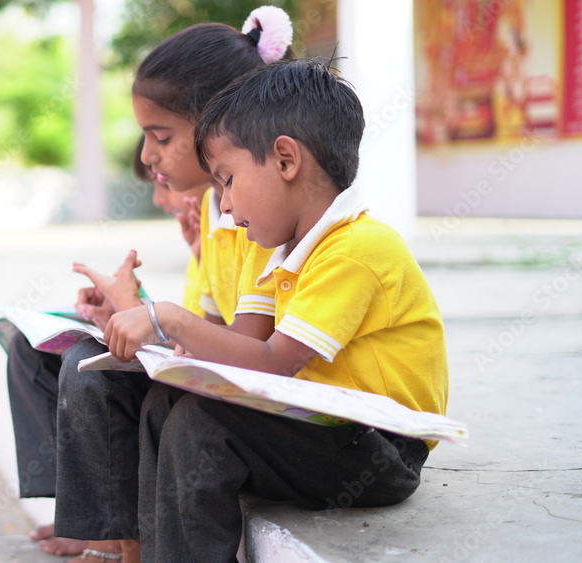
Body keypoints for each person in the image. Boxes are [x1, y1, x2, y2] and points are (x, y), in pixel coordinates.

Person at [102, 57, 450, 562]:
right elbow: (240, 349)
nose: (224, 206)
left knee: (202, 422)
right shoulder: (286, 251)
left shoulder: (357, 249)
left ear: (286, 160)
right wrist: (164, 338)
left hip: (379, 449)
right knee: (164, 403)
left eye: (227, 179)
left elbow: (270, 363)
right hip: (321, 427)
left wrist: (171, 318)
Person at [53, 6, 293, 562]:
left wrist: (157, 317)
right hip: (234, 375)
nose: (146, 156)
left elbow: (249, 351)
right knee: (83, 368)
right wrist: (129, 310)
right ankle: (118, 547)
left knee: (169, 407)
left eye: (160, 136)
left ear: (214, 124)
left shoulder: (271, 215)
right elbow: (209, 332)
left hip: (273, 400)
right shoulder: (216, 209)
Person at [5, 136, 207, 558]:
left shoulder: (237, 231)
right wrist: (119, 312)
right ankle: (78, 515)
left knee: (89, 369)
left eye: (165, 183)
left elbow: (215, 345)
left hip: (199, 387)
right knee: (30, 349)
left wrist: (131, 308)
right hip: (185, 362)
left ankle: (108, 535)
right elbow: (193, 329)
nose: (159, 199)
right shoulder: (209, 239)